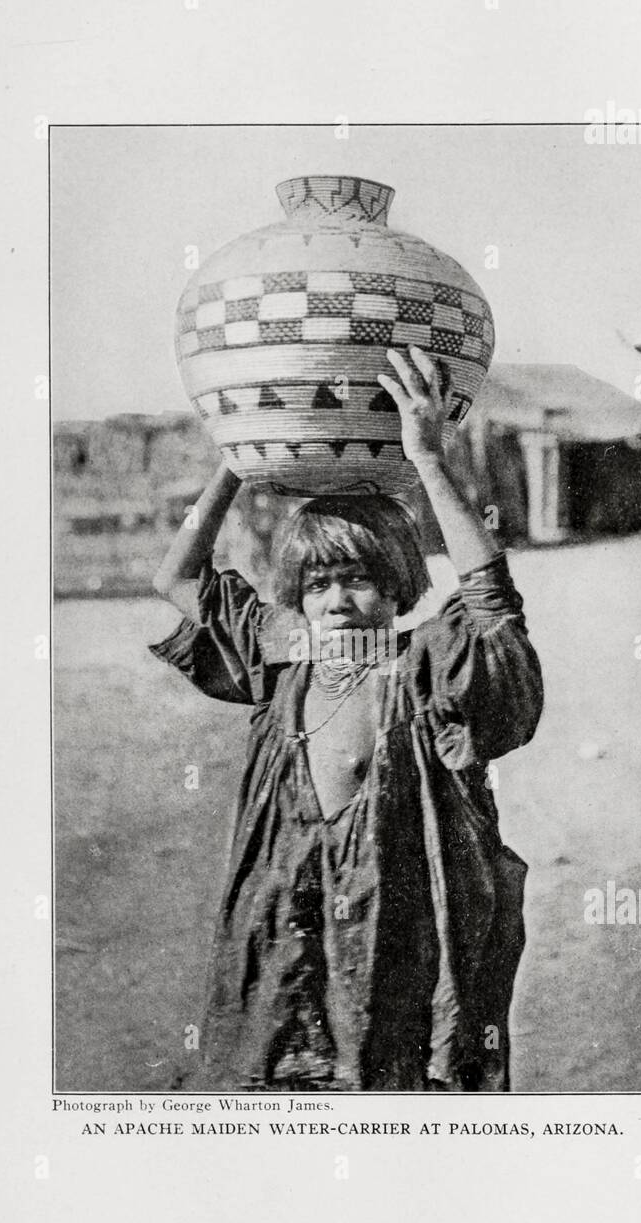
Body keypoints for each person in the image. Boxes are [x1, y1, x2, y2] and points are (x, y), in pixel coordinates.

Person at [149, 345, 544, 1091]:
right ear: (297, 593)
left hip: (395, 927)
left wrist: (428, 460)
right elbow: (175, 577)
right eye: (320, 582)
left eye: (360, 578)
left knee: (392, 1079)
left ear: (396, 586)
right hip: (283, 921)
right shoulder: (284, 651)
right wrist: (237, 461)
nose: (338, 600)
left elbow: (492, 606)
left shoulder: (422, 665)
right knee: (275, 1075)